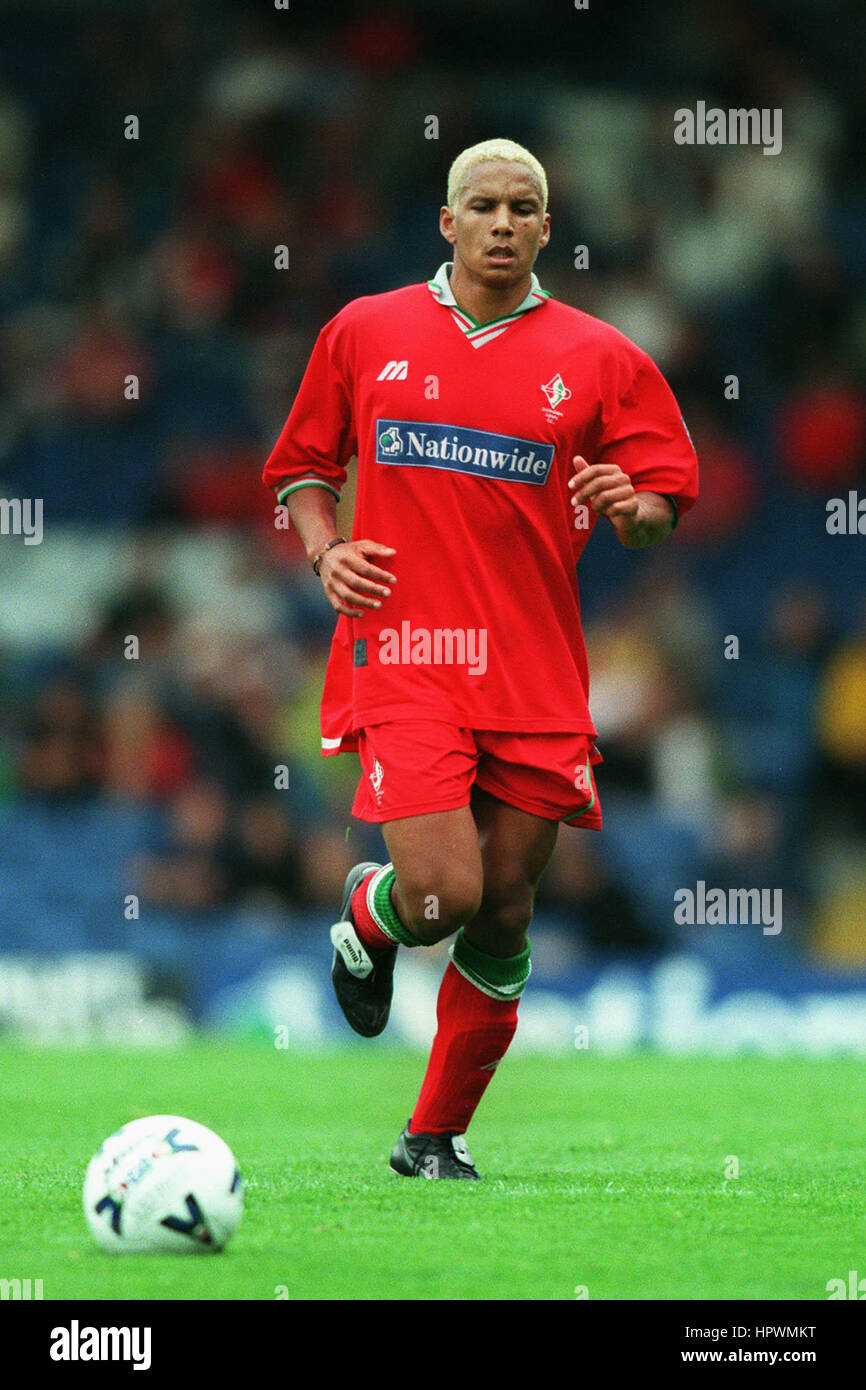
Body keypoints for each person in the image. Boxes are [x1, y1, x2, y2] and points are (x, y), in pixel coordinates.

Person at [263, 138, 698, 1179]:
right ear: (446, 222)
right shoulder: (364, 331)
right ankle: (374, 908)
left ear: (547, 228)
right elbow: (301, 468)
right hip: (406, 650)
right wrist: (326, 552)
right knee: (444, 895)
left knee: (504, 906)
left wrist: (625, 509)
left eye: (523, 207)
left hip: (536, 672)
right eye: (482, 205)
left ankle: (432, 1136)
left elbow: (660, 503)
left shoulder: (600, 356)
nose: (502, 222)